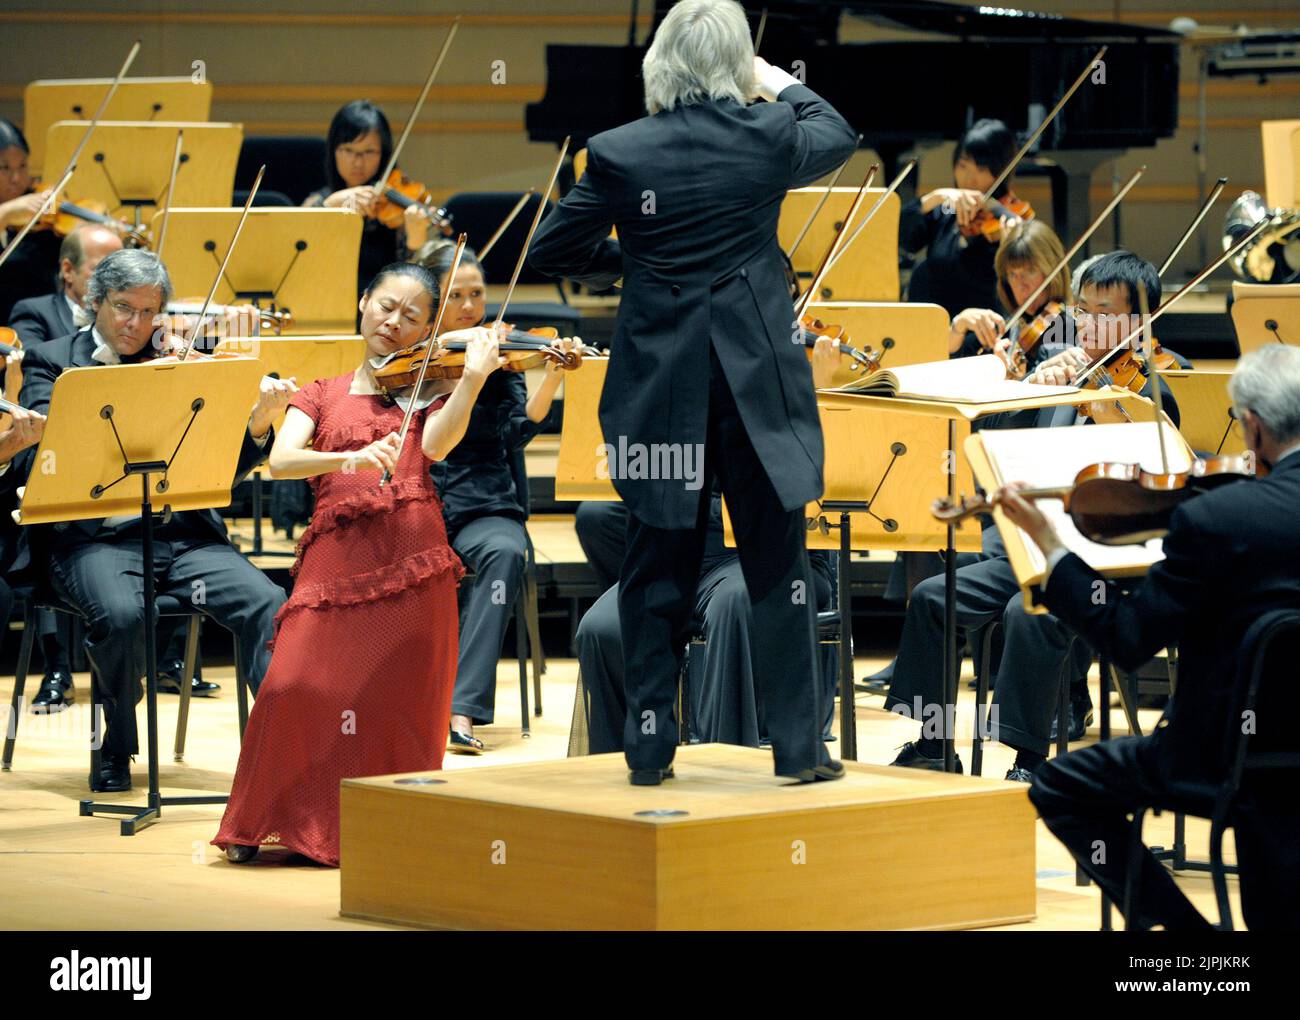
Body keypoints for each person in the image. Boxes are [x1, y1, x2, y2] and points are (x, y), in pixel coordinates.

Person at [529, 0, 857, 785]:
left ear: (658, 63)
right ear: (735, 65)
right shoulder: (769, 135)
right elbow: (838, 132)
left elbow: (553, 247)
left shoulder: (618, 151)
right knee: (777, 565)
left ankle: (647, 752)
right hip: (753, 392)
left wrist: (641, 263)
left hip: (661, 392)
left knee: (655, 568)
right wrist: (772, 80)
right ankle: (799, 754)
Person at [998, 343, 1300, 931]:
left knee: (1062, 788)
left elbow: (1128, 639)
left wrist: (1055, 553)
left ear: (1255, 428)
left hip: (1223, 759)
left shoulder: (1217, 520)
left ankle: (1191, 949)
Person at [213, 262, 503, 866]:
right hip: (336, 554)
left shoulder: (430, 390)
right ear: (363, 303)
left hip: (413, 557)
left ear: (428, 330)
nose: (394, 323)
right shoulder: (320, 391)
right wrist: (347, 461)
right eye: (386, 306)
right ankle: (267, 820)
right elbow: (282, 460)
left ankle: (387, 828)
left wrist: (472, 380)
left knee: (398, 701)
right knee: (292, 684)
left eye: (412, 317)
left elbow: (438, 447)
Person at [884, 251, 1183, 778]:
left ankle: (1029, 758)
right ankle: (934, 742)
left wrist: (1105, 406)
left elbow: (1156, 480)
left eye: (1104, 310)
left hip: (1107, 562)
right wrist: (1028, 392)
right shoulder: (1062, 375)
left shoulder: (1155, 391)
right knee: (933, 597)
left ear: (1137, 321)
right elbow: (996, 455)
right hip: (1035, 548)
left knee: (1031, 614)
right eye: (1082, 309)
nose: (1087, 323)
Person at [15, 249, 293, 792]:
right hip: (95, 539)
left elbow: (219, 468)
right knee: (120, 617)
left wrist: (258, 423)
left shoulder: (181, 362)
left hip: (183, 538)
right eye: (124, 309)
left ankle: (280, 750)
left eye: (149, 313)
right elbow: (39, 458)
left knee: (270, 603)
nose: (136, 325)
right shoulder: (51, 361)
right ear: (95, 303)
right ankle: (114, 745)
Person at [571, 339, 843, 754]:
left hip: (764, 558)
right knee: (601, 628)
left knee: (735, 602)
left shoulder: (793, 372)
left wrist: (816, 393)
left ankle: (725, 757)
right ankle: (617, 762)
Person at [410, 244, 575, 753]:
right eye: (454, 295)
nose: (467, 306)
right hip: (419, 499)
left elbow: (515, 432)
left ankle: (462, 710)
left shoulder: (501, 359)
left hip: (484, 502)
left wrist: (549, 377)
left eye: (476, 295)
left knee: (504, 553)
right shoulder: (410, 355)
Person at [900, 118, 1033, 357]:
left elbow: (1029, 271)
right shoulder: (944, 211)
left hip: (983, 341)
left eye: (981, 170)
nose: (969, 180)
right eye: (963, 167)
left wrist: (1006, 234)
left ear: (1001, 170)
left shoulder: (1009, 219)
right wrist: (936, 197)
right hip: (937, 337)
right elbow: (902, 237)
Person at [302, 101, 435, 302]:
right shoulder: (322, 200)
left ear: (384, 154)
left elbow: (420, 283)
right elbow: (299, 254)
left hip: (387, 312)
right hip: (327, 303)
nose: (357, 162)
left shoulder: (397, 205)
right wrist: (330, 205)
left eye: (369, 151)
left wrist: (416, 240)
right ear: (333, 151)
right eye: (348, 150)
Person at [7, 223, 121, 344]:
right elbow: (32, 360)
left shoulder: (131, 317)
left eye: (119, 270)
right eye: (101, 268)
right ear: (68, 270)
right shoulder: (33, 313)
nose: (114, 279)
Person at [0, 119, 61, 324]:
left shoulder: (43, 214)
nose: (16, 178)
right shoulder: (16, 209)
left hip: (39, 324)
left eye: (23, 166)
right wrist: (7, 212)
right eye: (5, 168)